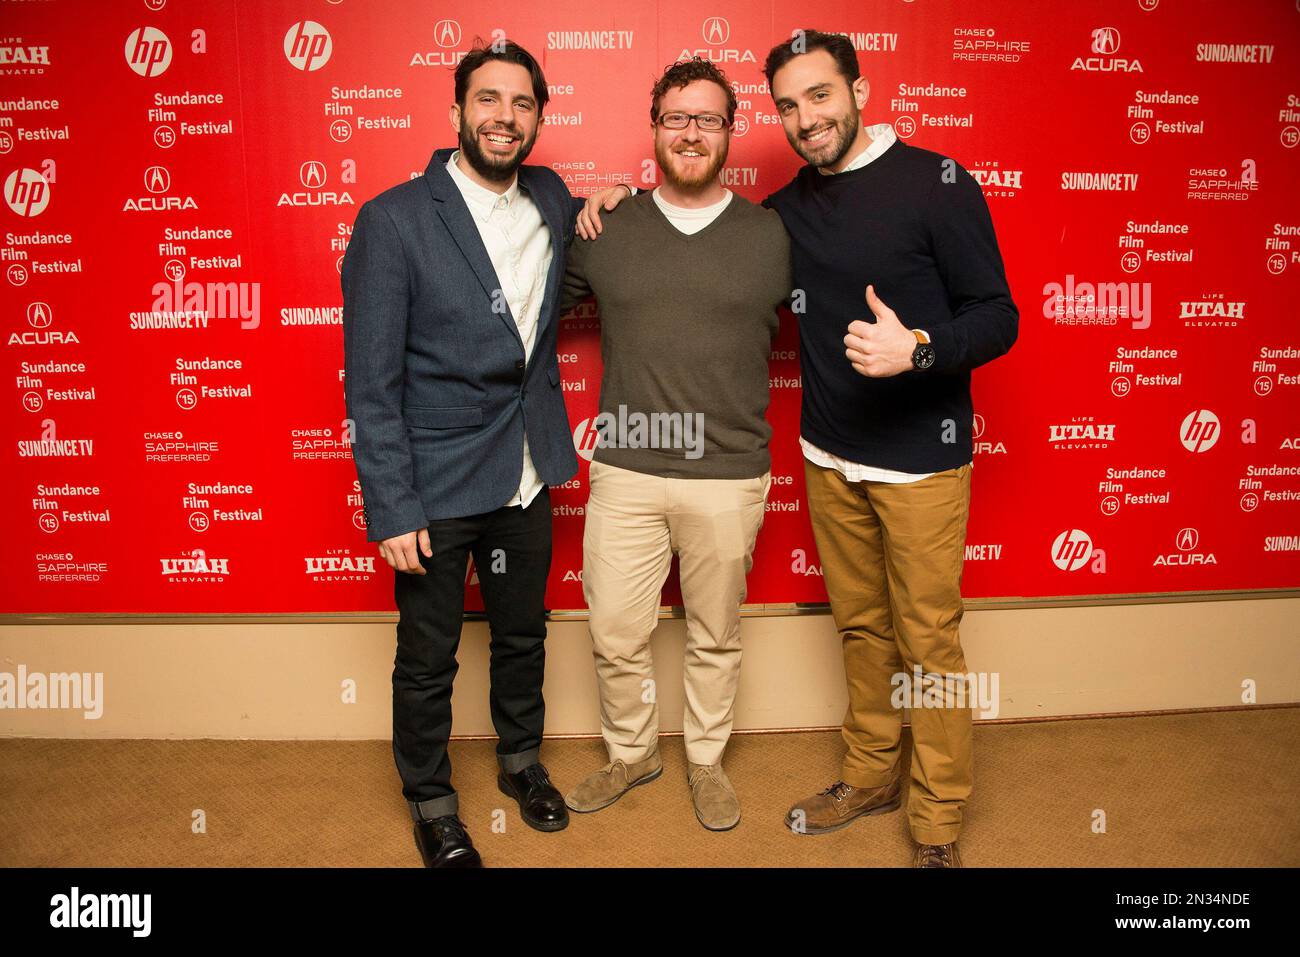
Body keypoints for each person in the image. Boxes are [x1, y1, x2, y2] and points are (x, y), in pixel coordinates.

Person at [581, 30, 1017, 866]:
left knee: (929, 640)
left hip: (921, 460)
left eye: (820, 95)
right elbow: (689, 234)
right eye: (788, 104)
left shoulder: (938, 182)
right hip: (829, 457)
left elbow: (999, 314)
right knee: (860, 627)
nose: (807, 118)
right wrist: (604, 200)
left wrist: (920, 348)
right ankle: (870, 772)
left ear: (860, 88)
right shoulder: (784, 211)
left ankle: (937, 817)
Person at [342, 40, 581, 868]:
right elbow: (371, 382)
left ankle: (520, 761)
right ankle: (432, 800)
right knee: (429, 654)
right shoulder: (394, 218)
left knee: (523, 634)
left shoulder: (551, 196)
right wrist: (393, 504)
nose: (503, 117)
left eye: (521, 104)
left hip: (525, 468)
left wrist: (614, 199)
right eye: (487, 100)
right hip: (436, 482)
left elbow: (592, 235)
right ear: (456, 113)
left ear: (539, 119)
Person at [561, 57, 792, 831]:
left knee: (714, 634)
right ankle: (632, 752)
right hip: (626, 463)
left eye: (708, 118)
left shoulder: (773, 233)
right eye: (676, 118)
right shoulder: (606, 226)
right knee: (616, 631)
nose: (691, 132)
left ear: (731, 130)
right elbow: (522, 306)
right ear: (654, 127)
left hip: (727, 473)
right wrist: (585, 205)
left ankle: (704, 757)